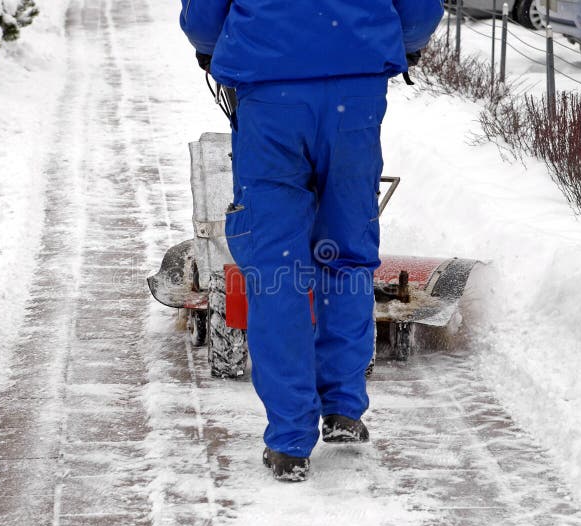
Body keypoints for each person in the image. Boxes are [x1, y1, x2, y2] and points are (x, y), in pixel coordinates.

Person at [179, 0, 444, 482]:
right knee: (345, 253)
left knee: (276, 267)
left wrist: (214, 50)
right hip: (354, 89)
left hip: (269, 91)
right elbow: (421, 8)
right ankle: (343, 407)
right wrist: (403, 46)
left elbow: (203, 15)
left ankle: (289, 439)